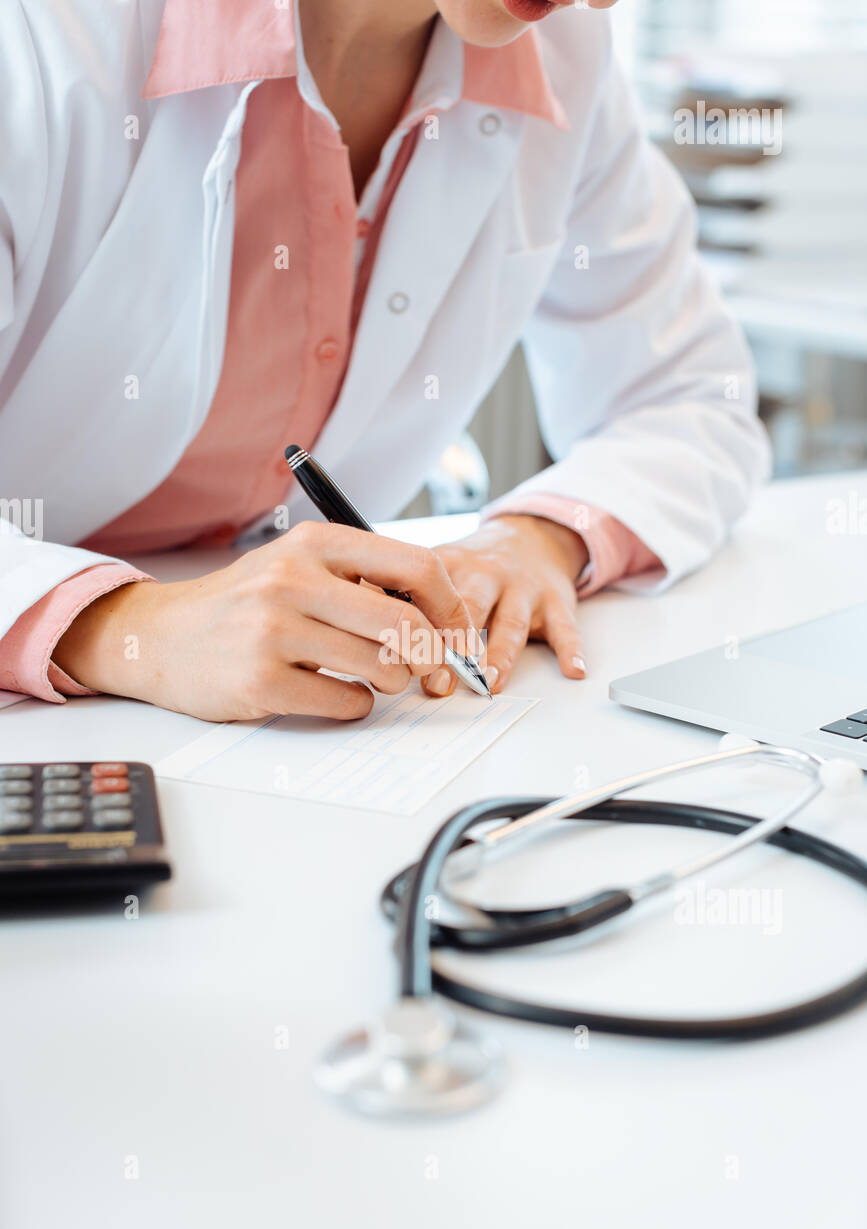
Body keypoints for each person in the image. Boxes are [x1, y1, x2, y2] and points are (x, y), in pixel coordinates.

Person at [0, 0, 769, 723]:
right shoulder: (42, 37)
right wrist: (122, 627)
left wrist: (541, 536)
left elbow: (689, 396)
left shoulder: (558, 49)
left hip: (289, 728)